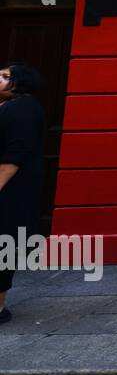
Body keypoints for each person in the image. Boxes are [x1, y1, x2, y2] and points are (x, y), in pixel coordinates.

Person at [0, 64, 46, 325]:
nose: (0, 80)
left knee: (4, 241)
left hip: (12, 190)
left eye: (7, 77)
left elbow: (13, 155)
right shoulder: (10, 107)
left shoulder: (22, 108)